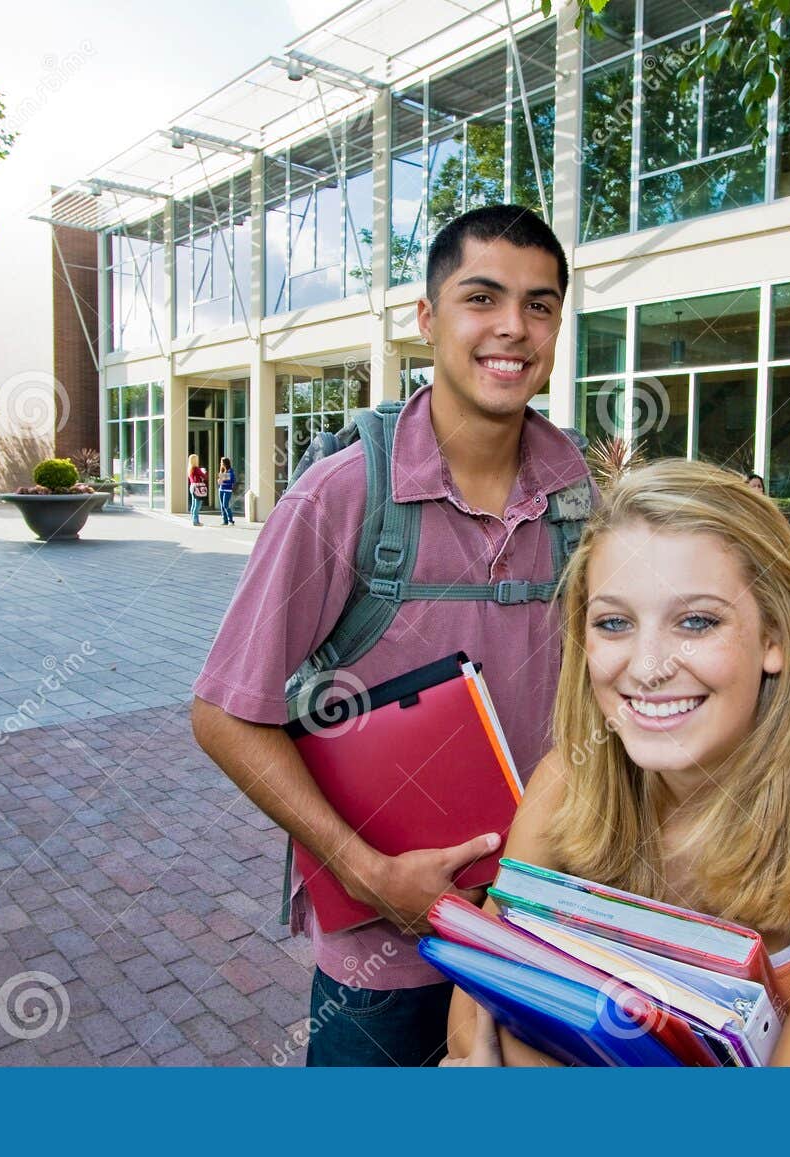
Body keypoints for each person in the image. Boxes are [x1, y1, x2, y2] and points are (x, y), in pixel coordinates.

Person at [190, 204, 591, 1066]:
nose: (512, 329)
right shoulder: (339, 497)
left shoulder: (587, 500)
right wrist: (370, 874)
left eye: (541, 305)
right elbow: (224, 713)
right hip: (388, 951)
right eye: (482, 297)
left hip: (547, 933)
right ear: (427, 318)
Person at [446, 459, 790, 1066]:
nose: (647, 667)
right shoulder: (571, 780)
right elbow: (475, 1004)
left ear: (774, 637)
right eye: (614, 623)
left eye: (696, 621)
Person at [188, 454, 208, 526]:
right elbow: (204, 477)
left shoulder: (190, 468)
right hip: (197, 487)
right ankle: (196, 521)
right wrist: (204, 472)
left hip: (192, 486)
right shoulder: (196, 468)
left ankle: (194, 519)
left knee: (193, 504)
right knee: (197, 505)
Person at [217, 456, 236, 525]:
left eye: (221, 462)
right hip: (221, 489)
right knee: (222, 506)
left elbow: (232, 481)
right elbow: (220, 481)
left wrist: (223, 481)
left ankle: (231, 520)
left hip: (227, 490)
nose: (220, 463)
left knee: (225, 505)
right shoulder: (222, 470)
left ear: (225, 463)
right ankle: (225, 521)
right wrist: (219, 481)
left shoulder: (230, 471)